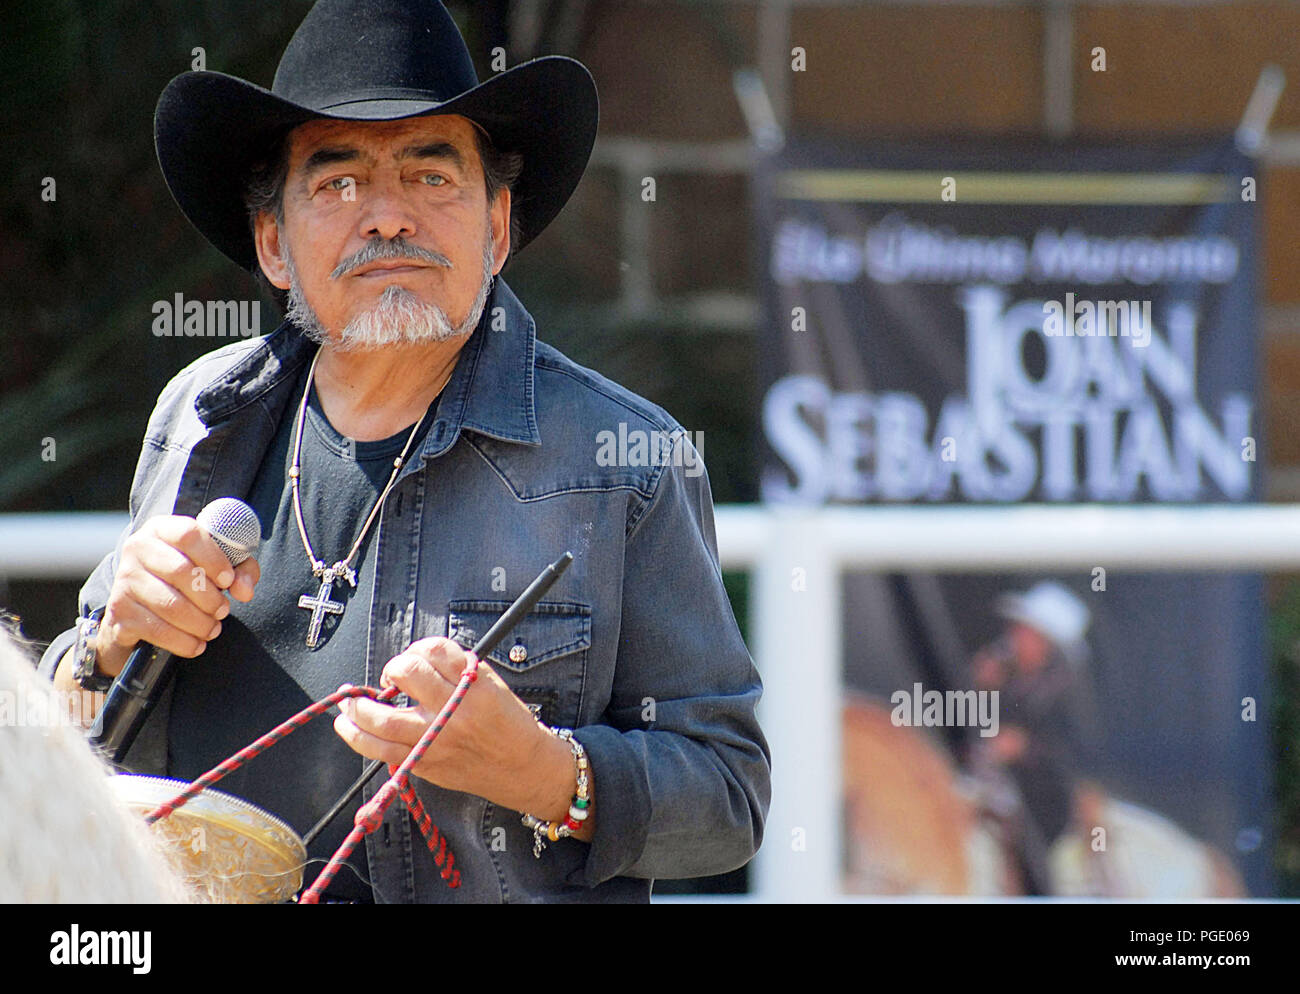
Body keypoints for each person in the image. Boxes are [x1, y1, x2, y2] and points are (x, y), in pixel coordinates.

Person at [37, 0, 770, 903]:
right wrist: (104, 651)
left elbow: (731, 798)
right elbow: (64, 738)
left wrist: (545, 772)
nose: (386, 218)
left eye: (431, 177)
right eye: (338, 183)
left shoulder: (624, 460)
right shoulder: (198, 417)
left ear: (497, 227)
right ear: (274, 243)